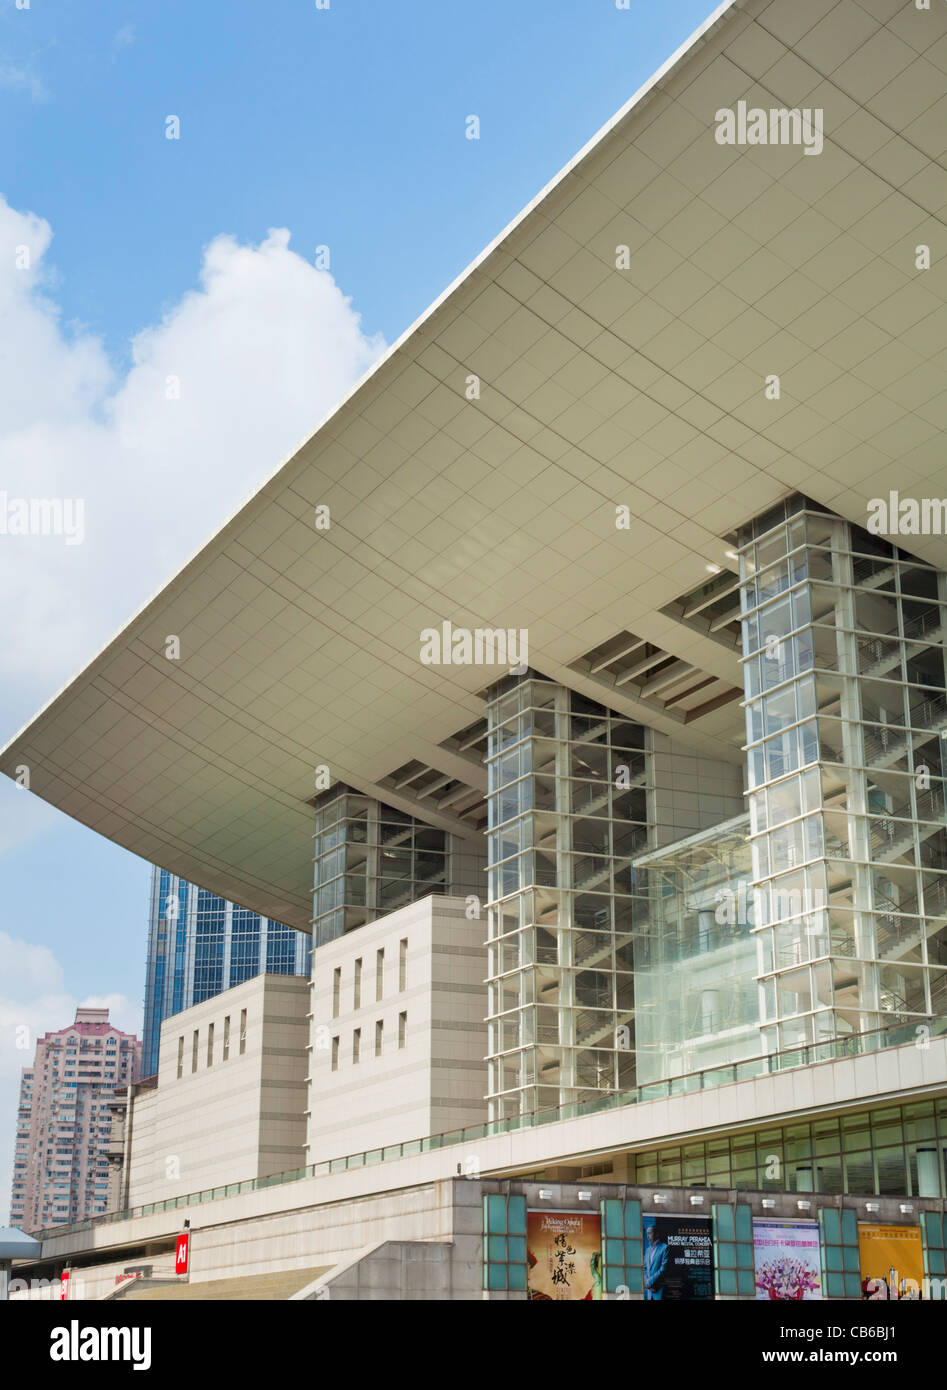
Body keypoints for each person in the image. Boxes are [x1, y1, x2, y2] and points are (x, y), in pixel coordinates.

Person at [644, 1223, 669, 1300]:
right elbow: (644, 1268)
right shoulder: (647, 1250)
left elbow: (663, 1269)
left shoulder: (664, 1248)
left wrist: (650, 1282)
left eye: (650, 1233)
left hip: (659, 1290)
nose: (648, 1236)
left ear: (657, 1234)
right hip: (649, 1291)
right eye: (647, 1234)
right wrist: (646, 1283)